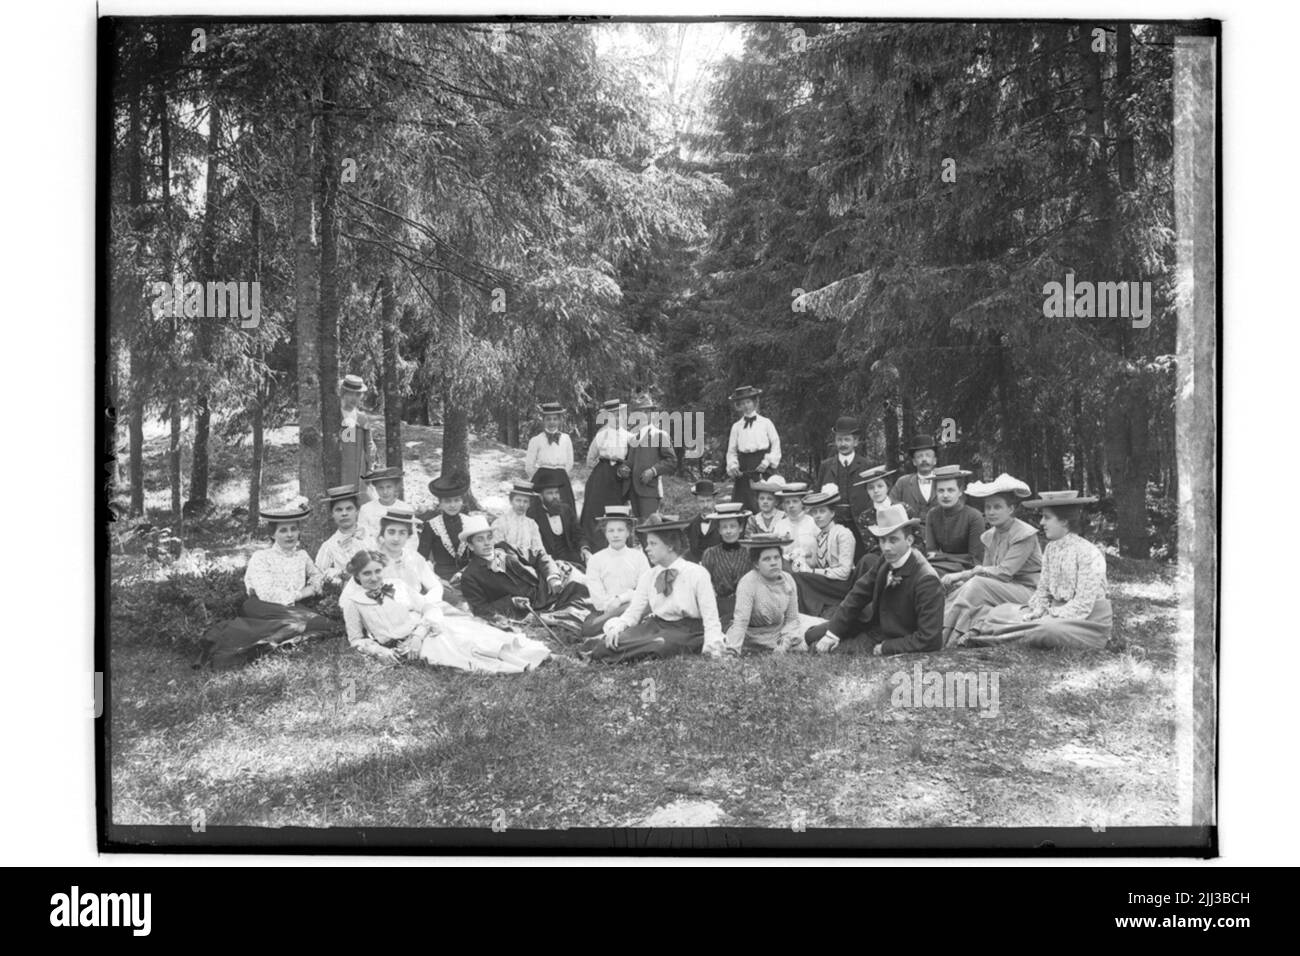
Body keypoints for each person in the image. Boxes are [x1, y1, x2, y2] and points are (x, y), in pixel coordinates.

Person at [342, 550, 549, 672]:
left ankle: (538, 654)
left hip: (425, 631)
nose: (374, 577)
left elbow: (429, 607)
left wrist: (419, 634)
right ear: (357, 576)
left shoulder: (397, 585)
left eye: (377, 571)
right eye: (366, 573)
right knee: (465, 653)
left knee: (473, 637)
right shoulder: (354, 602)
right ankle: (522, 665)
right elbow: (356, 639)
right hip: (403, 646)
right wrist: (379, 650)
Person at [966, 490, 1111, 650]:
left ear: (1064, 521)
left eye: (1047, 517)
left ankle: (987, 637)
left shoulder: (1088, 552)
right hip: (1054, 613)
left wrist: (1048, 614)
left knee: (1047, 629)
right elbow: (1043, 590)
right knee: (1000, 611)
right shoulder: (1051, 548)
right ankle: (1004, 631)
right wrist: (1038, 610)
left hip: (1086, 621)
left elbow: (1083, 605)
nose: (1041, 522)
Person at [196, 506, 334, 668]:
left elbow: (317, 576)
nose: (289, 535)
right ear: (272, 534)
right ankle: (258, 645)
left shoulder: (302, 556)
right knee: (309, 623)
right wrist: (302, 593)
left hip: (291, 607)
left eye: (293, 529)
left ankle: (273, 642)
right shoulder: (261, 557)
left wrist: (313, 587)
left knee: (326, 624)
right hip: (261, 606)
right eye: (283, 530)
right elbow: (267, 593)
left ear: (298, 532)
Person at [804, 504, 945, 656]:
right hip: (870, 623)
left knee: (824, 651)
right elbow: (857, 595)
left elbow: (931, 639)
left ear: (909, 540)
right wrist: (832, 634)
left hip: (892, 637)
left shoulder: (927, 579)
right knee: (811, 636)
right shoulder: (885, 560)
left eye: (893, 540)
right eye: (882, 540)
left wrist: (887, 647)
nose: (886, 548)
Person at [582, 515, 725, 663]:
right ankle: (618, 650)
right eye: (647, 543)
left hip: (686, 630)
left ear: (670, 546)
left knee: (661, 645)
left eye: (653, 543)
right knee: (610, 642)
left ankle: (640, 651)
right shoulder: (650, 575)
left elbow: (711, 618)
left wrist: (713, 648)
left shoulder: (697, 573)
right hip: (655, 625)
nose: (647, 548)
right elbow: (634, 611)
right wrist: (618, 627)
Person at [940, 474, 1042, 647]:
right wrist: (962, 581)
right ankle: (937, 629)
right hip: (1002, 588)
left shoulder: (1024, 534)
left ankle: (945, 636)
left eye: (997, 507)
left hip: (1029, 591)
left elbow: (1004, 573)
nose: (991, 512)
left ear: (1010, 509)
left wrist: (964, 574)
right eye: (988, 508)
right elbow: (988, 571)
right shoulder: (989, 536)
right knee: (960, 589)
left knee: (976, 584)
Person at [458, 514, 592, 633]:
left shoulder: (504, 549)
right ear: (470, 545)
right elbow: (480, 609)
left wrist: (552, 577)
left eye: (488, 537)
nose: (487, 543)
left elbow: (539, 555)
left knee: (587, 588)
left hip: (548, 587)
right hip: (532, 607)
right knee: (579, 613)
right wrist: (511, 602)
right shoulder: (470, 576)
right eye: (480, 540)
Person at [725, 535, 823, 655]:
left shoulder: (788, 579)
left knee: (822, 627)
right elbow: (741, 621)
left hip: (781, 630)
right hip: (753, 636)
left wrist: (785, 642)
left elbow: (792, 618)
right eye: (767, 559)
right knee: (807, 641)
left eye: (777, 557)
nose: (773, 563)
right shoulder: (748, 583)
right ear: (756, 564)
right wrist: (732, 651)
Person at [580, 505, 651, 637]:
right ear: (605, 533)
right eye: (611, 531)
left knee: (643, 607)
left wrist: (621, 598)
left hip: (633, 606)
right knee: (588, 628)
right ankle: (620, 629)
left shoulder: (638, 557)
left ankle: (616, 631)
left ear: (628, 532)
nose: (616, 535)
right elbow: (598, 600)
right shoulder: (596, 560)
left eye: (620, 530)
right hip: (605, 612)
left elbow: (645, 590)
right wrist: (612, 605)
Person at [790, 486, 857, 616]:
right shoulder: (820, 536)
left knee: (800, 578)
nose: (817, 516)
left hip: (843, 583)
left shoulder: (843, 533)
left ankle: (808, 614)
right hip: (828, 581)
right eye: (814, 512)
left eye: (822, 511)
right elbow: (818, 562)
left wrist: (812, 572)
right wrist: (802, 557)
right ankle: (806, 614)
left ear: (832, 513)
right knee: (795, 574)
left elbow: (844, 572)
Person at [580, 398, 632, 550]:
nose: (615, 418)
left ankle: (617, 546)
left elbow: (632, 459)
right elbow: (590, 458)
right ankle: (594, 546)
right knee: (596, 510)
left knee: (616, 510)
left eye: (617, 414)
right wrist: (603, 464)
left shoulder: (628, 436)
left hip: (619, 477)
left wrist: (625, 467)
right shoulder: (601, 434)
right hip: (601, 476)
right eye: (611, 415)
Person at [816, 416, 871, 554]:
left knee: (860, 561)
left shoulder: (866, 465)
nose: (843, 444)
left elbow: (872, 495)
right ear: (835, 441)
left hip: (859, 526)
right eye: (839, 439)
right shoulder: (826, 466)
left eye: (847, 439)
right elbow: (818, 494)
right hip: (833, 524)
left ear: (856, 441)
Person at [725, 385, 781, 512]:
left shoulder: (766, 423)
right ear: (738, 406)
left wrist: (767, 462)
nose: (746, 406)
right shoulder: (736, 427)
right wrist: (733, 466)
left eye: (749, 402)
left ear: (755, 403)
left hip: (762, 466)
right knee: (743, 504)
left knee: (763, 501)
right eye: (742, 403)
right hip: (744, 468)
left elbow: (776, 444)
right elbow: (732, 451)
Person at [924, 465, 987, 574]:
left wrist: (942, 556)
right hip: (938, 566)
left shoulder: (974, 517)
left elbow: (975, 559)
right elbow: (931, 553)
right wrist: (941, 557)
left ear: (960, 491)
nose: (945, 495)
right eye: (940, 490)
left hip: (967, 570)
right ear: (935, 492)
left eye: (951, 490)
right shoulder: (932, 515)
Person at [625, 393, 678, 518]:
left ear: (651, 414)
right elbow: (631, 462)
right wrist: (624, 468)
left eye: (646, 412)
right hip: (633, 491)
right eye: (640, 412)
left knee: (650, 530)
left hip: (650, 491)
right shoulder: (633, 437)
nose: (643, 416)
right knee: (637, 530)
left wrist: (653, 471)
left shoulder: (660, 435)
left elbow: (672, 461)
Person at [699, 502, 753, 622]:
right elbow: (706, 583)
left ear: (740, 528)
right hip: (720, 607)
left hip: (748, 605)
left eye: (732, 526)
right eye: (724, 527)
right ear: (719, 530)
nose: (728, 531)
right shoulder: (710, 554)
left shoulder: (750, 552)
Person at [850, 464, 903, 578]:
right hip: (881, 557)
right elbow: (872, 547)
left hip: (906, 554)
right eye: (871, 488)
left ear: (887, 487)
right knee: (867, 561)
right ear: (867, 491)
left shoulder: (903, 508)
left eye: (880, 486)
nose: (876, 491)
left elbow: (916, 538)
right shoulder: (865, 517)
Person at [314, 484, 376, 583]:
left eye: (349, 508)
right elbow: (317, 575)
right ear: (332, 514)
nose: (344, 513)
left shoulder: (372, 534)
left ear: (357, 511)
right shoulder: (329, 546)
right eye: (339, 510)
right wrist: (340, 574)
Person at [418, 475, 473, 583]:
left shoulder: (469, 522)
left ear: (462, 501)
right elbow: (421, 559)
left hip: (468, 574)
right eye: (447, 501)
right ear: (440, 504)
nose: (453, 505)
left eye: (456, 500)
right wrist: (437, 580)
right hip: (442, 577)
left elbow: (478, 555)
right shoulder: (431, 526)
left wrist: (462, 573)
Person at [529, 474, 592, 569]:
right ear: (541, 496)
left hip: (570, 556)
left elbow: (578, 533)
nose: (555, 496)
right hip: (547, 560)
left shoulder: (566, 510)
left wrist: (584, 549)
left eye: (556, 493)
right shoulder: (534, 514)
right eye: (550, 493)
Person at [523, 401, 576, 511]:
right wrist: (539, 477)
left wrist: (562, 474)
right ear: (543, 420)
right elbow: (529, 465)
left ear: (560, 420)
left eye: (555, 419)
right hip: (543, 477)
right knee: (540, 508)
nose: (552, 422)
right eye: (548, 419)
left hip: (561, 477)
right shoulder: (536, 440)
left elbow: (570, 462)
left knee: (564, 507)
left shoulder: (566, 438)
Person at [376, 509, 439, 595]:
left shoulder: (414, 558)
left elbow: (435, 586)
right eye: (391, 532)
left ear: (408, 536)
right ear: (383, 533)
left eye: (402, 533)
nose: (396, 538)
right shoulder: (372, 559)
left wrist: (425, 603)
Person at [338, 374, 380, 493]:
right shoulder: (334, 414)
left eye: (357, 394)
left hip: (358, 467)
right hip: (339, 467)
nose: (354, 398)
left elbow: (369, 444)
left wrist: (370, 468)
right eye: (350, 393)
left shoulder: (361, 418)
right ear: (343, 393)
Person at [889, 433, 941, 526]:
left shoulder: (944, 480)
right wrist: (903, 507)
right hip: (912, 534)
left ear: (935, 460)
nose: (924, 459)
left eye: (928, 455)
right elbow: (891, 504)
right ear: (914, 462)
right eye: (920, 456)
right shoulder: (903, 482)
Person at [493, 480, 547, 560]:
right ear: (511, 501)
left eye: (525, 501)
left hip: (528, 566)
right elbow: (497, 552)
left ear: (529, 504)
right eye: (518, 500)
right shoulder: (500, 523)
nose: (521, 505)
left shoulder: (532, 524)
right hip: (507, 566)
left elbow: (539, 549)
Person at [358, 466, 411, 541]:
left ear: (395, 487)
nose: (385, 492)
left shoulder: (406, 509)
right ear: (375, 488)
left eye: (389, 487)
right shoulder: (366, 509)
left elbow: (412, 538)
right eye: (381, 488)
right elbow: (362, 536)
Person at [776, 482, 818, 567]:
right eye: (787, 502)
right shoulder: (779, 525)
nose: (791, 505)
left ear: (802, 503)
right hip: (786, 570)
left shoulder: (813, 522)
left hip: (810, 569)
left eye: (795, 501)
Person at [685, 479, 724, 562]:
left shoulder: (723, 521)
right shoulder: (691, 525)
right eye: (701, 501)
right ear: (696, 502)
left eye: (708, 500)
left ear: (714, 501)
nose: (705, 505)